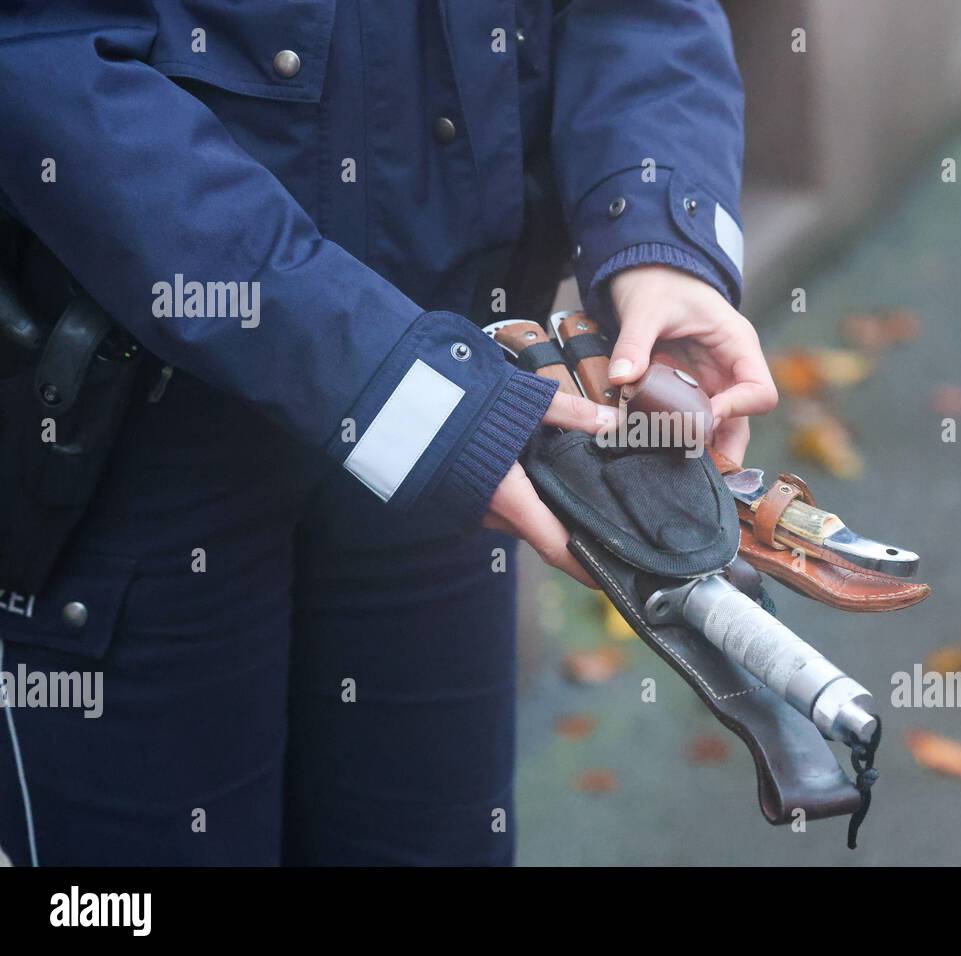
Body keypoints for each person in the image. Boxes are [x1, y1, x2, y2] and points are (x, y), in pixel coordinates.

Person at [0, 0, 775, 865]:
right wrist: (388, 380)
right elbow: (40, 59)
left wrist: (661, 238)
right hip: (133, 449)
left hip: (447, 431)